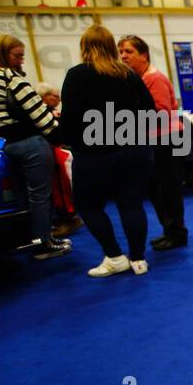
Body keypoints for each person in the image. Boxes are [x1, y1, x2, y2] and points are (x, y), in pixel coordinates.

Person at [60, 25, 156, 277]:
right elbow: (149, 111)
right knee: (131, 204)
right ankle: (138, 259)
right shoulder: (129, 75)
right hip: (134, 150)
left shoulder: (77, 75)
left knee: (88, 206)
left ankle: (114, 255)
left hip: (94, 154)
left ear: (84, 47)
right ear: (112, 48)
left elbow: (69, 119)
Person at [0, 34, 70, 260]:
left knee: (22, 195)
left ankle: (34, 239)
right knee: (41, 196)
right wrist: (58, 137)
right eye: (17, 56)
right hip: (29, 144)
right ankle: (44, 243)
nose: (21, 61)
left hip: (3, 145)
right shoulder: (10, 78)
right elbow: (39, 114)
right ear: (2, 54)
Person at [118, 35, 187, 250]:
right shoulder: (138, 79)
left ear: (144, 55)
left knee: (168, 190)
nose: (123, 56)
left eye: (128, 51)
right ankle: (169, 230)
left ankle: (177, 234)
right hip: (155, 140)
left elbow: (162, 113)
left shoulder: (154, 79)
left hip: (166, 140)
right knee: (157, 190)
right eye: (121, 52)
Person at [35, 83, 82, 240]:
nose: (58, 98)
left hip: (57, 151)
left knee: (61, 187)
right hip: (50, 150)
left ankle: (69, 218)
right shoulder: (43, 113)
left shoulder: (53, 114)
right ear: (43, 97)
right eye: (53, 95)